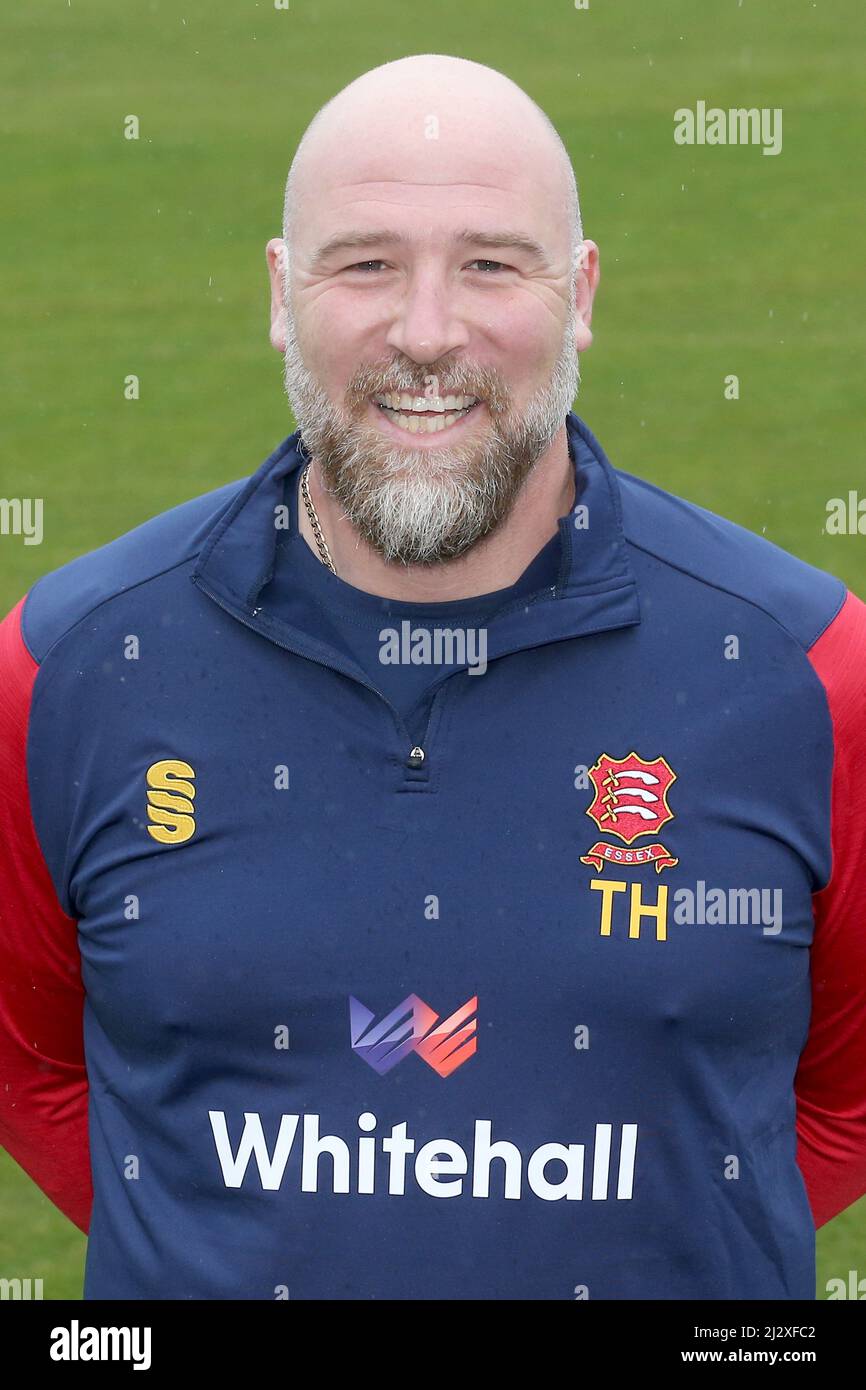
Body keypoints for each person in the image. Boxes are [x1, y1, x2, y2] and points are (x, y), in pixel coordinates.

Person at [1, 52, 865, 1301]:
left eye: (488, 264)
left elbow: (833, 1102)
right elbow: (35, 1072)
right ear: (280, 296)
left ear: (578, 295)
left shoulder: (811, 675)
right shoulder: (62, 666)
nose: (423, 334)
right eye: (363, 264)